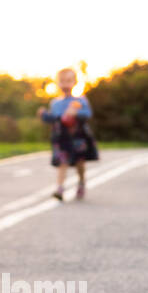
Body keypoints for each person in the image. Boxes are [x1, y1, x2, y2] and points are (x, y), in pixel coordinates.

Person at [36, 67, 98, 201]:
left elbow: (88, 114)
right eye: (62, 81)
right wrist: (43, 115)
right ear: (58, 83)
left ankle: (81, 183)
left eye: (68, 81)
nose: (65, 84)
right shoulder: (55, 103)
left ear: (75, 82)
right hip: (61, 138)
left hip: (77, 137)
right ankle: (60, 188)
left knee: (80, 163)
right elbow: (52, 119)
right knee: (62, 162)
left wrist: (76, 113)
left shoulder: (80, 101)